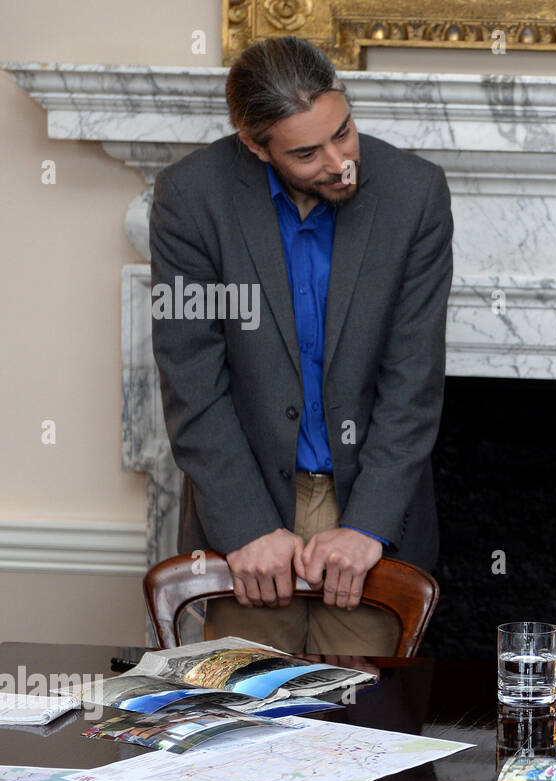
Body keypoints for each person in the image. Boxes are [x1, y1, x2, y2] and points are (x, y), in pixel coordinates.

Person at [150, 36, 453, 655]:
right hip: (248, 505)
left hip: (368, 508)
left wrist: (367, 525)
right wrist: (250, 527)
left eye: (344, 132)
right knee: (246, 724)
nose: (341, 161)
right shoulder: (191, 199)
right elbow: (192, 380)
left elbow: (412, 379)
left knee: (364, 728)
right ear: (256, 145)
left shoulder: (414, 194)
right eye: (308, 152)